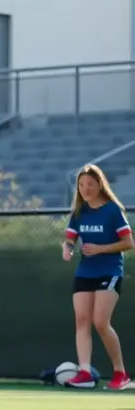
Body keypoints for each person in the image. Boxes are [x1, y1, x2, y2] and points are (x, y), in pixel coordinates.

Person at [62, 164, 132, 390]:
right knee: (81, 320)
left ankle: (120, 373)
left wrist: (100, 249)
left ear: (99, 185)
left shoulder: (113, 210)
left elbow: (129, 243)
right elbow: (70, 238)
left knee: (100, 322)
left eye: (90, 184)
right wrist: (68, 248)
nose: (85, 189)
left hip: (109, 271)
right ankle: (85, 373)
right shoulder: (79, 212)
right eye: (81, 185)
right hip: (85, 272)